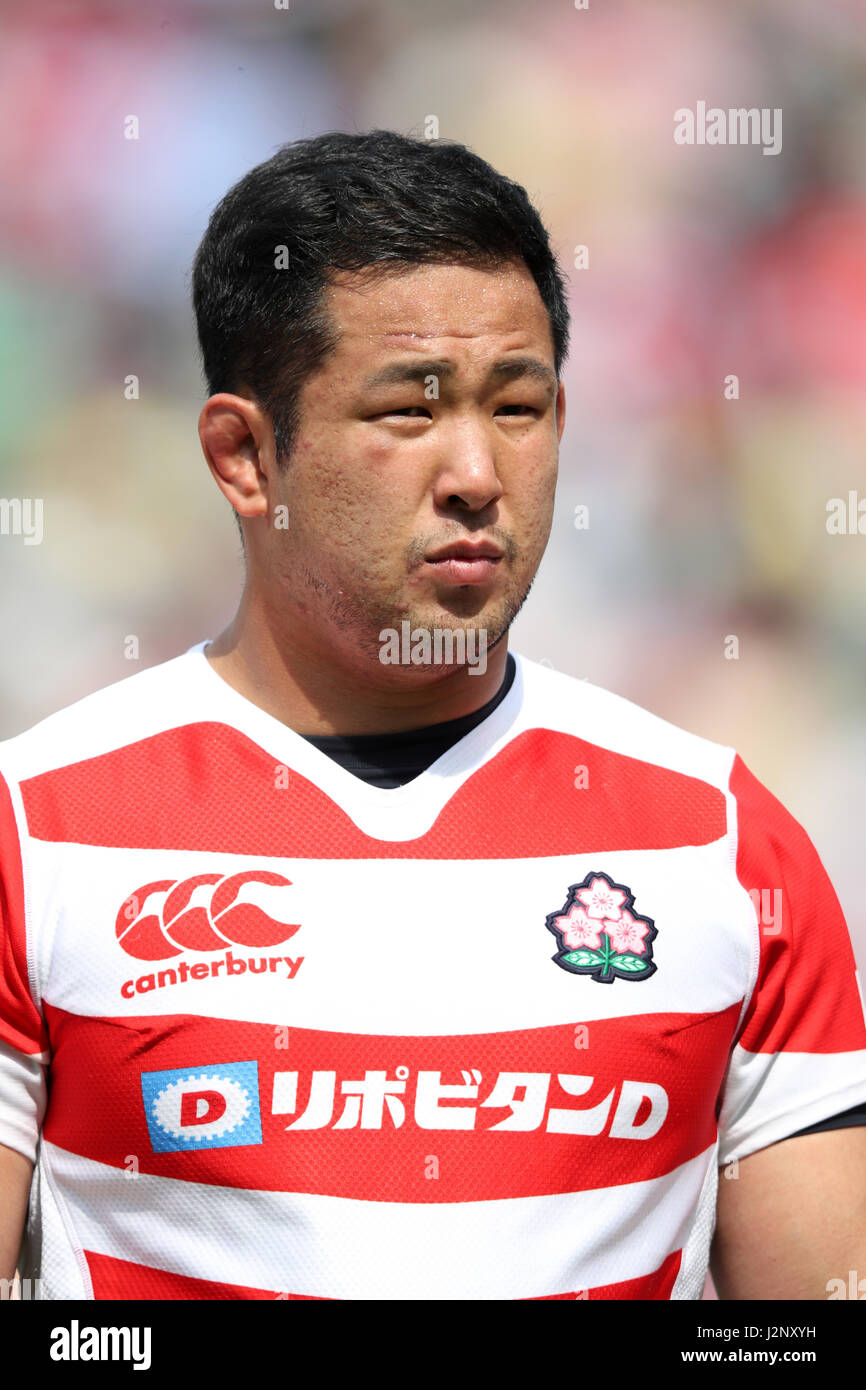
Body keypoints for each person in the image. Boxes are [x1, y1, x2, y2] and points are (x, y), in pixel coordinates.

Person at [1, 129, 864, 1302]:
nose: (475, 471)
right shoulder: (36, 832)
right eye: (408, 413)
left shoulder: (722, 837)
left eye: (518, 405)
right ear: (244, 456)